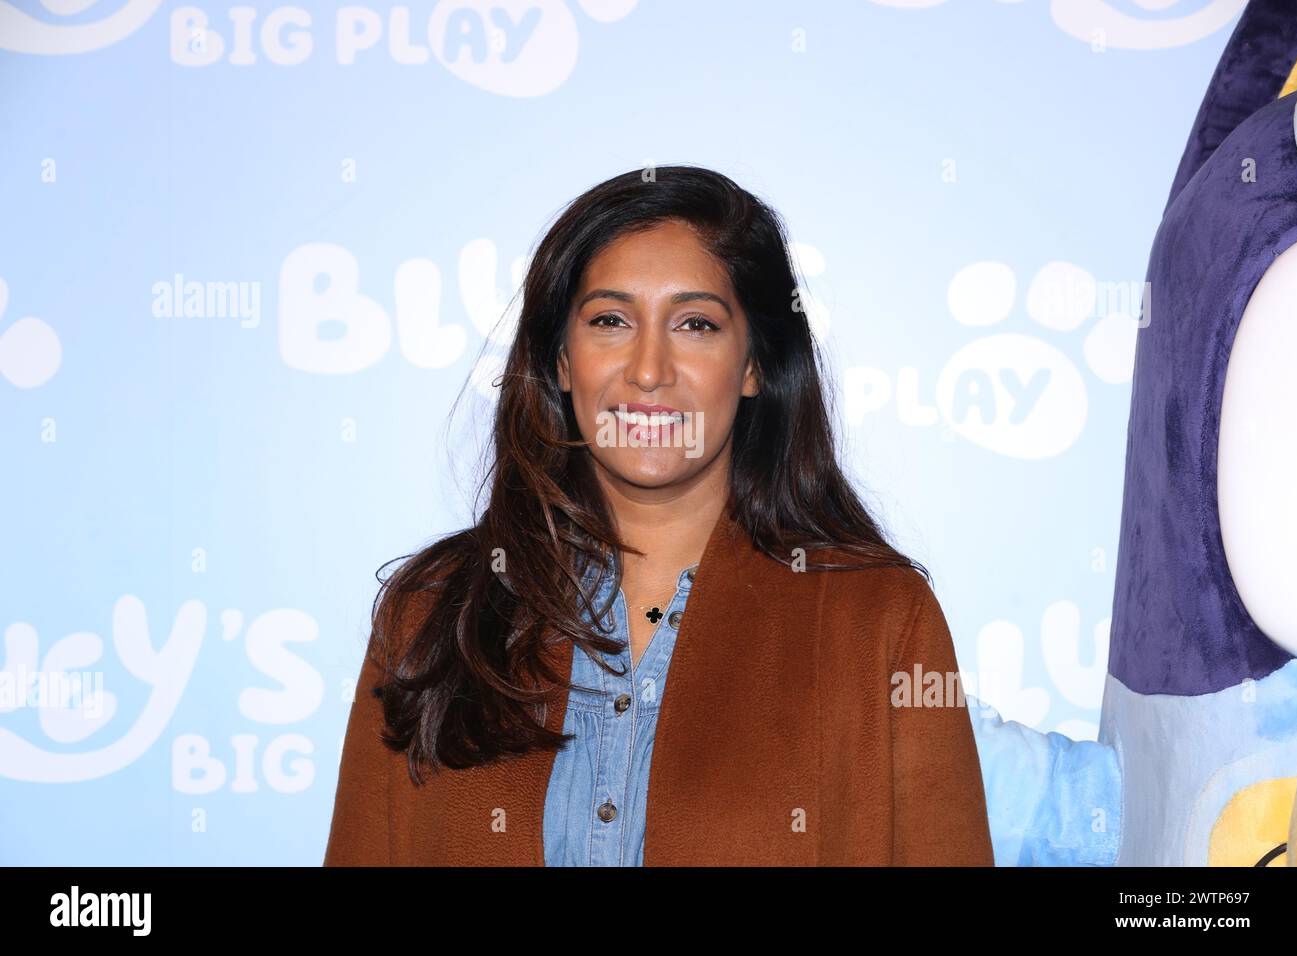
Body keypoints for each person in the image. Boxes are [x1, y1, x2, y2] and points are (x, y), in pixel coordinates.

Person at [324, 165, 994, 866]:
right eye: (610, 320)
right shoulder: (432, 612)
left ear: (753, 366)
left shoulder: (879, 619)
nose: (648, 370)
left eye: (695, 324)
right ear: (559, 360)